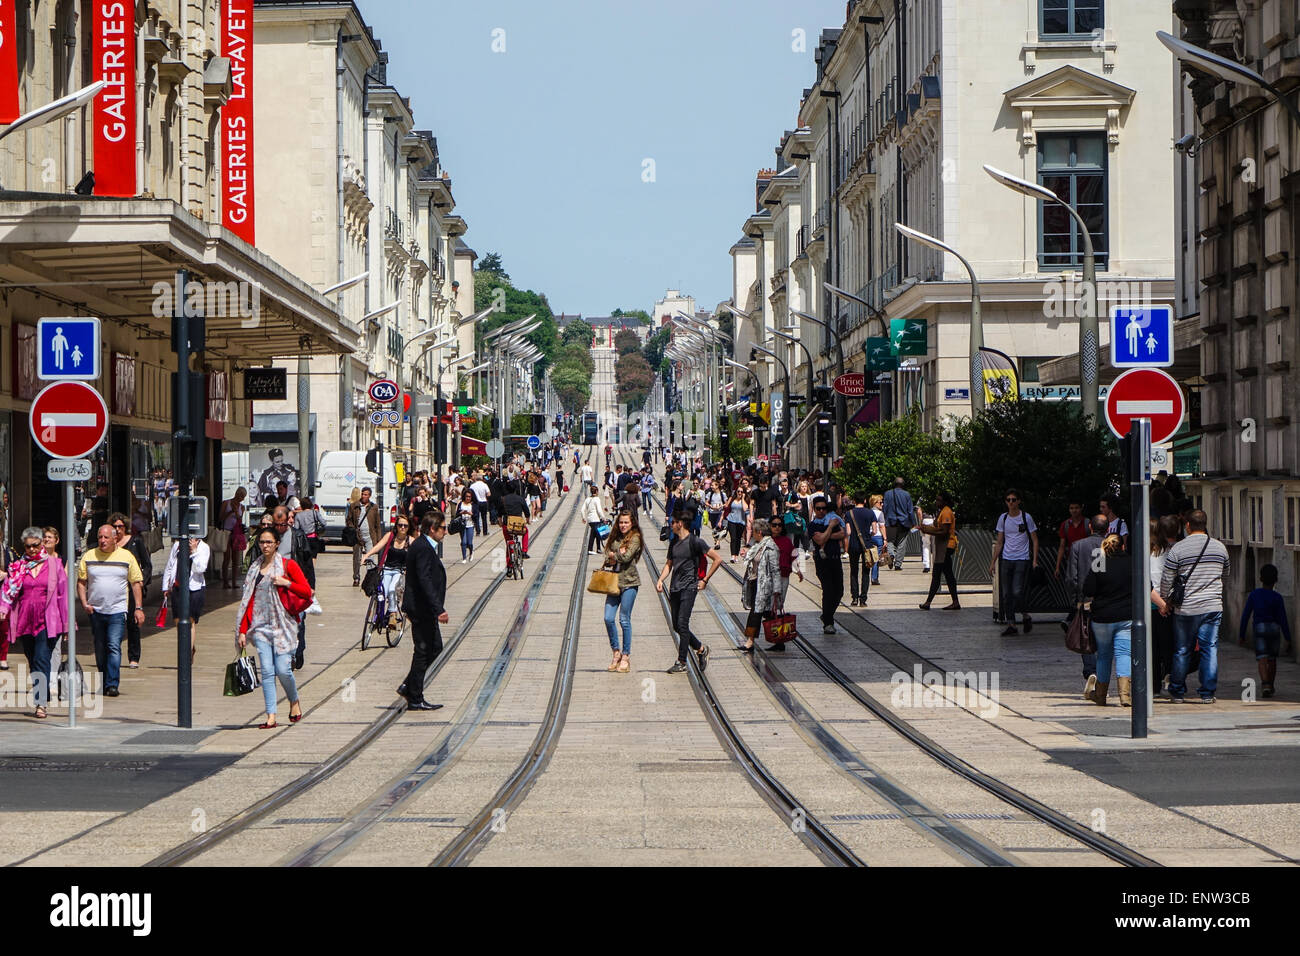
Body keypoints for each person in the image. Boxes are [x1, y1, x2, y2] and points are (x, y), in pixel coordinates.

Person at [237, 527, 307, 728]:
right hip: (260, 627)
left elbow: (306, 592)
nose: (265, 546)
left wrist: (286, 583)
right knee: (267, 670)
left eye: (269, 542)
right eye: (262, 542)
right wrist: (243, 630)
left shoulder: (288, 565)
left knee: (283, 669)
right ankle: (271, 715)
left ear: (277, 544)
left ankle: (294, 700)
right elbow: (249, 601)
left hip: (284, 625)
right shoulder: (254, 569)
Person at [1159, 510, 1230, 703]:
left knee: (1182, 649)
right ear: (1205, 524)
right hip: (1212, 606)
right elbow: (1225, 575)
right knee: (1210, 648)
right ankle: (1207, 693)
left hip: (1186, 608)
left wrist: (1166, 600)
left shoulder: (1178, 549)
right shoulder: (1220, 548)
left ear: (1188, 526)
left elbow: (1167, 578)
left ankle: (1178, 691)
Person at [0, 528, 68, 719]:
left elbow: (63, 596)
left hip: (47, 620)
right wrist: (3, 609)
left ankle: (41, 703)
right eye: (28, 546)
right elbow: (7, 591)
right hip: (24, 620)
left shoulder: (54, 564)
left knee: (41, 658)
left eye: (35, 545)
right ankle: (42, 694)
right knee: (33, 660)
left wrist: (67, 624)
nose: (31, 549)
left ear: (42, 544)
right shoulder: (18, 567)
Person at [76, 524, 145, 697]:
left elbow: (136, 583)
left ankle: (112, 684)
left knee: (113, 645)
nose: (102, 540)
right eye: (100, 537)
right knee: (100, 647)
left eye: (106, 537)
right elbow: (82, 582)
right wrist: (84, 603)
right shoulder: (89, 556)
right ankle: (105, 678)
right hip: (96, 610)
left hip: (117, 610)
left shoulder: (126, 557)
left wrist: (138, 608)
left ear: (115, 539)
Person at [657, 509, 721, 674]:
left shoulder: (696, 542)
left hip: (689, 587)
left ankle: (682, 661)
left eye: (672, 522)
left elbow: (717, 559)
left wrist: (705, 580)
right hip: (675, 587)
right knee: (677, 626)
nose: (670, 525)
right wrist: (660, 579)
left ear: (680, 523)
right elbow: (669, 564)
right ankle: (700, 649)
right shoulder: (673, 543)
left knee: (683, 623)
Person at [398, 512, 449, 712]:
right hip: (422, 609)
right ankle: (415, 697)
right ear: (432, 529)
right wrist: (439, 609)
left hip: (423, 608)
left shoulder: (424, 546)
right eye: (442, 528)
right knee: (424, 651)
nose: (445, 532)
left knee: (433, 648)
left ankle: (409, 687)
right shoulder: (423, 548)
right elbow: (424, 580)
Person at [1082, 534, 1133, 706]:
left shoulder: (1100, 561)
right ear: (1123, 546)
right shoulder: (1131, 562)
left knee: (1104, 655)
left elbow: (1088, 589)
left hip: (1102, 617)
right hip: (1126, 616)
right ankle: (1125, 695)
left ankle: (1101, 695)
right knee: (1124, 653)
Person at [1066, 514, 1108, 699]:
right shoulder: (1111, 545)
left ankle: (1091, 670)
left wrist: (1077, 598)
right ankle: (1101, 671)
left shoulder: (1078, 545)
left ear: (1090, 526)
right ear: (1107, 529)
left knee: (1086, 635)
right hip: (1107, 599)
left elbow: (1072, 577)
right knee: (1104, 639)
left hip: (1085, 599)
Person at [990, 489, 1039, 636]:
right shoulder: (1003, 518)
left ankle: (1025, 615)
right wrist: (993, 562)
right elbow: (999, 542)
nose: (1011, 502)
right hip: (1006, 558)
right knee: (1006, 594)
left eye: (1013, 499)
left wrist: (1034, 560)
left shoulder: (1026, 517)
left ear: (1019, 501)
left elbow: (1035, 540)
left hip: (1022, 559)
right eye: (1008, 500)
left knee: (1017, 591)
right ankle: (1011, 623)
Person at [1240, 563, 1292, 699]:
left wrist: (1241, 634)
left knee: (1262, 658)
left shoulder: (1254, 595)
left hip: (1260, 627)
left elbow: (1246, 615)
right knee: (1272, 659)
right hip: (1274, 628)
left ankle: (1265, 685)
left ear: (1260, 578)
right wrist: (1288, 637)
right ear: (1276, 580)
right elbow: (1283, 618)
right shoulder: (1278, 597)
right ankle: (1271, 684)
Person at [602, 509, 644, 673]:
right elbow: (607, 558)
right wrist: (617, 554)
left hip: (629, 583)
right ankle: (616, 652)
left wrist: (615, 554)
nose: (623, 525)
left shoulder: (635, 538)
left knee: (624, 620)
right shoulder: (615, 538)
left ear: (632, 523)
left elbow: (626, 558)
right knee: (608, 618)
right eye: (621, 522)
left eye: (626, 522)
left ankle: (625, 656)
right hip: (614, 583)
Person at [110, 513, 152, 670]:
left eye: (120, 526)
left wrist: (142, 581)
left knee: (133, 623)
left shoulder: (136, 542)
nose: (117, 530)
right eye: (114, 527)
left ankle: (134, 657)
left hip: (132, 589)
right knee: (115, 623)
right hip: (115, 590)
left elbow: (147, 564)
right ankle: (114, 654)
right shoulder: (108, 544)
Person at [162, 535, 210, 663]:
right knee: (178, 622)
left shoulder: (204, 547)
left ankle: (186, 655)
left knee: (190, 621)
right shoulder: (177, 545)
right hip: (177, 587)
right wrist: (165, 586)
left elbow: (200, 569)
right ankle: (190, 647)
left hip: (195, 588)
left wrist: (194, 551)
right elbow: (170, 565)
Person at [1149, 514, 1181, 695]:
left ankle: (1154, 685)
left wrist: (1160, 604)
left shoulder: (1148, 553)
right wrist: (1167, 604)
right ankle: (1169, 675)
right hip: (1170, 605)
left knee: (1153, 648)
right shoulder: (1173, 551)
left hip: (1153, 605)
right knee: (1169, 645)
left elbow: (1148, 582)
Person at [363, 514, 413, 629]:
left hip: (400, 571)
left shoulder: (410, 540)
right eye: (400, 525)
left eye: (405, 525)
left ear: (408, 527)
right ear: (396, 526)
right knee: (381, 592)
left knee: (391, 589)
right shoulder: (390, 536)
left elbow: (418, 554)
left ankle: (392, 615)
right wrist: (367, 555)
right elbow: (378, 546)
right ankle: (379, 617)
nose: (403, 528)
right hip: (386, 569)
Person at [740, 519, 781, 652]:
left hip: (764, 587)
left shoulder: (771, 547)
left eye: (753, 531)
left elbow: (775, 569)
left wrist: (777, 589)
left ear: (759, 532)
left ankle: (750, 641)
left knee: (756, 613)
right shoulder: (758, 545)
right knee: (767, 614)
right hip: (755, 582)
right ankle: (779, 640)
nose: (752, 534)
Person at [808, 497, 847, 634]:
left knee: (839, 591)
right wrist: (830, 528)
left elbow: (843, 533)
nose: (821, 511)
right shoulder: (813, 525)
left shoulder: (832, 518)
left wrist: (826, 535)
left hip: (836, 559)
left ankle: (826, 615)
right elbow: (819, 540)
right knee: (828, 590)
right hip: (822, 561)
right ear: (814, 509)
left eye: (824, 508)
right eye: (818, 508)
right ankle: (828, 623)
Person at [918, 492, 960, 610]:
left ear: (945, 502)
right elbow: (939, 528)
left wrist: (928, 531)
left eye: (939, 500)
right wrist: (926, 528)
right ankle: (954, 601)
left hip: (946, 546)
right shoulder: (942, 511)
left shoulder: (946, 512)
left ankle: (929, 602)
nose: (937, 502)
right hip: (942, 547)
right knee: (946, 574)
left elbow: (944, 531)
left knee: (939, 574)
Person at [845, 493, 878, 607]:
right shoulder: (870, 513)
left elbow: (848, 532)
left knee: (854, 571)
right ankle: (863, 599)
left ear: (854, 501)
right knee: (866, 571)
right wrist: (868, 535)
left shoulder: (849, 513)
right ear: (864, 500)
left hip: (853, 544)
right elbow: (874, 530)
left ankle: (854, 598)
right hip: (867, 545)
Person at [346, 487, 381, 587]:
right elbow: (349, 520)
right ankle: (356, 578)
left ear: (369, 496)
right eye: (362, 494)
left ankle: (370, 578)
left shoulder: (374, 507)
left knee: (370, 558)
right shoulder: (354, 506)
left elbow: (377, 525)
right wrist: (353, 528)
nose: (363, 496)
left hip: (370, 536)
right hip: (357, 536)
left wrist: (378, 540)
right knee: (356, 558)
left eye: (366, 494)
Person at [218, 487, 248, 588]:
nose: (241, 498)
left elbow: (239, 520)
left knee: (236, 558)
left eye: (243, 497)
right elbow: (220, 518)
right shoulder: (226, 503)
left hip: (236, 534)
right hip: (226, 532)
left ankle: (234, 582)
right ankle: (225, 581)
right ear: (236, 493)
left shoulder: (242, 507)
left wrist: (236, 512)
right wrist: (231, 512)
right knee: (226, 558)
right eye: (240, 496)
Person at [882, 477, 915, 570]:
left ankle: (891, 555)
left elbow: (885, 508)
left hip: (890, 522)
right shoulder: (906, 494)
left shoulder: (887, 494)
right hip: (903, 522)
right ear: (903, 484)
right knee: (901, 544)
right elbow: (910, 510)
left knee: (890, 541)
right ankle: (898, 564)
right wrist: (913, 522)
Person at [1054, 500, 1089, 579]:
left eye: (1076, 508)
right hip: (1071, 561)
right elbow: (1062, 546)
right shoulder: (1065, 525)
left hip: (1086, 561)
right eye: (1071, 508)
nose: (1074, 510)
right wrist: (1057, 567)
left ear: (1081, 508)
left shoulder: (1088, 524)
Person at [500, 482, 531, 558]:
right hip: (518, 525)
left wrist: (501, 523)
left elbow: (499, 514)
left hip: (507, 524)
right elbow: (527, 512)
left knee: (509, 543)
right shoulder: (520, 499)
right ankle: (524, 551)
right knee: (525, 532)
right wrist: (527, 520)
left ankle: (509, 565)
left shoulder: (503, 499)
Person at [582, 484, 609, 555]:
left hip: (590, 520)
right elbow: (599, 510)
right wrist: (604, 518)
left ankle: (598, 549)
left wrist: (583, 518)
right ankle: (590, 549)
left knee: (597, 533)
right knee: (593, 534)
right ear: (596, 491)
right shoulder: (597, 499)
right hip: (596, 519)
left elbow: (582, 509)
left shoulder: (587, 499)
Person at [724, 486, 748, 563]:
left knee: (738, 539)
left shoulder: (745, 501)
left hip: (741, 522)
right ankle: (732, 556)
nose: (739, 493)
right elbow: (726, 507)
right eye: (738, 491)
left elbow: (745, 509)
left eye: (741, 492)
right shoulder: (732, 499)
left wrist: (743, 499)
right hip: (731, 520)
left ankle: (736, 556)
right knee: (733, 538)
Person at [456, 490, 476, 563]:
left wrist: (471, 513)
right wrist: (461, 512)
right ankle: (464, 558)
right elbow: (457, 514)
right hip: (462, 525)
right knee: (463, 542)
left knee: (469, 542)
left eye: (469, 497)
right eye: (467, 496)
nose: (468, 498)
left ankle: (471, 552)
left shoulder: (473, 505)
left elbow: (476, 514)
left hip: (470, 524)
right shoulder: (461, 504)